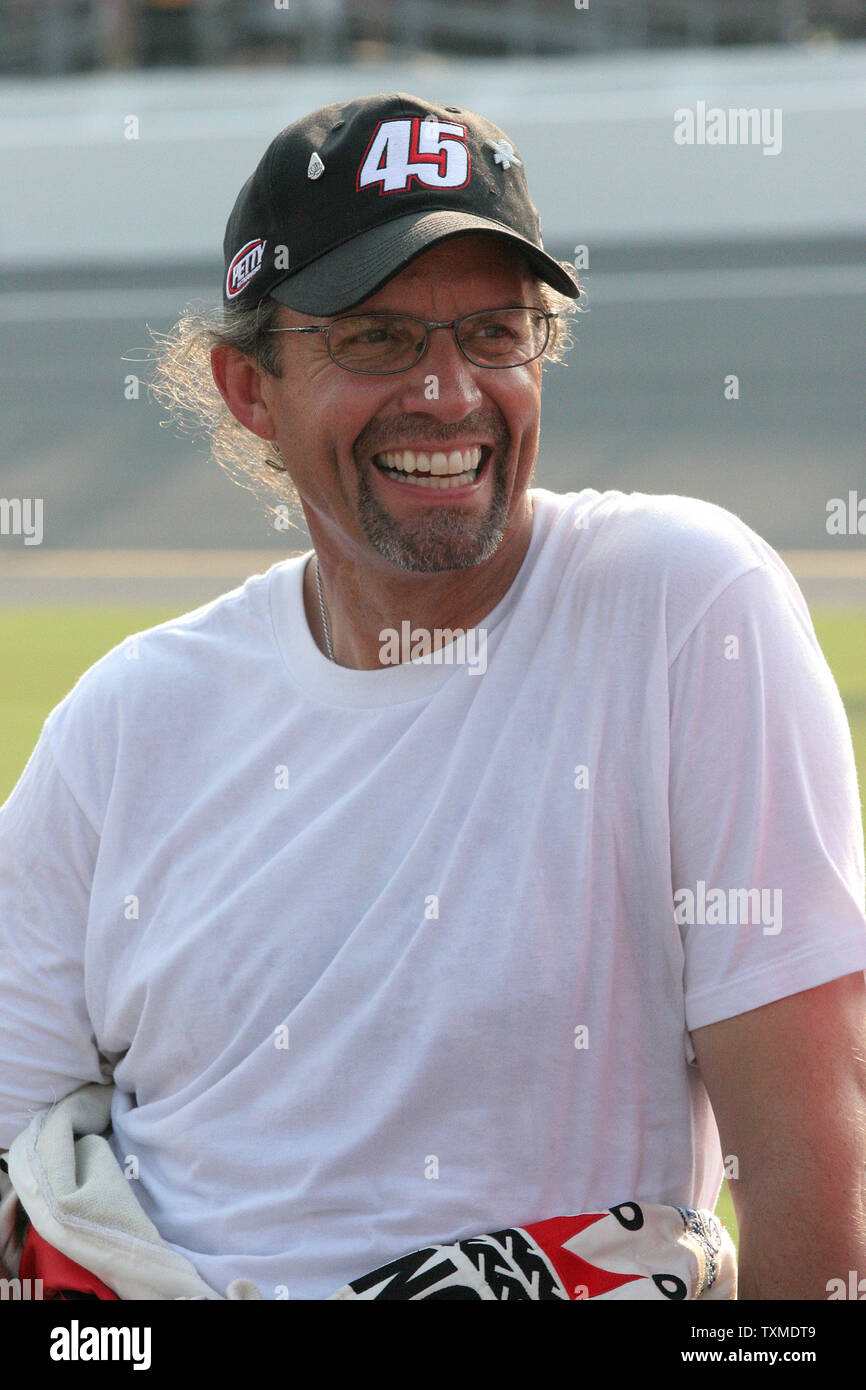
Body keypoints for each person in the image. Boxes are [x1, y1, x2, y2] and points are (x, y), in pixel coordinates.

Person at [1, 91, 865, 1301]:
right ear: (251, 388)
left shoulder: (680, 607)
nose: (450, 395)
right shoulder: (123, 721)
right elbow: (19, 1136)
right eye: (377, 339)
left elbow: (811, 1167)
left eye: (496, 334)